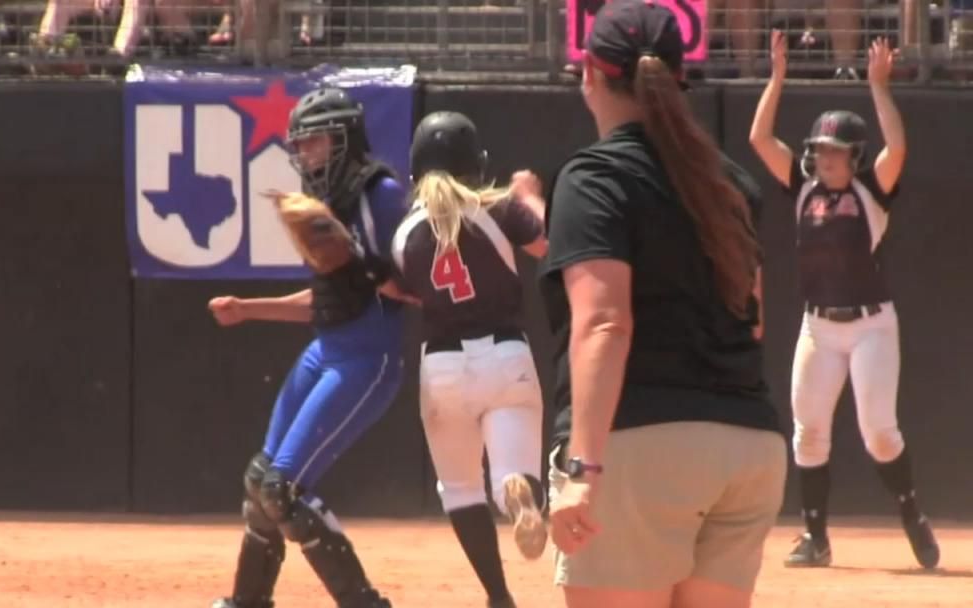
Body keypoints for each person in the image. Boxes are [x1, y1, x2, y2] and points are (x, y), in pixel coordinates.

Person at [540, 2, 786, 607]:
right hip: (747, 448)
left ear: (590, 76)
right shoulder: (731, 182)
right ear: (680, 79)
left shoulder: (593, 177)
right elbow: (753, 319)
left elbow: (604, 322)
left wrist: (581, 471)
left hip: (641, 447)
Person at [206, 86, 411, 608]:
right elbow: (325, 301)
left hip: (368, 358)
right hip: (327, 351)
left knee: (283, 489)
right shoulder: (330, 204)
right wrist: (248, 309)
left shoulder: (380, 194)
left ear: (345, 141)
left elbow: (417, 287)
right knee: (261, 482)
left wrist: (364, 262)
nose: (306, 155)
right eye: (300, 146)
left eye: (315, 143)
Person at [749, 30, 940, 569]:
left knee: (879, 432)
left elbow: (897, 148)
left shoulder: (870, 190)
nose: (825, 158)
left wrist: (879, 87)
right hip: (819, 327)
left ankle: (911, 514)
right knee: (808, 432)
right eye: (820, 150)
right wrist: (778, 77)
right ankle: (816, 539)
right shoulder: (804, 189)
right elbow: (761, 138)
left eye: (835, 152)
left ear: (854, 157)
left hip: (872, 324)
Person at [389, 111, 548, 608]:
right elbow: (551, 243)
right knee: (512, 475)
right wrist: (529, 196)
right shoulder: (500, 209)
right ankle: (517, 490)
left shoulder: (406, 234)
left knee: (458, 489)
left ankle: (498, 596)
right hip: (507, 356)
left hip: (443, 369)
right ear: (474, 164)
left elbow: (407, 293)